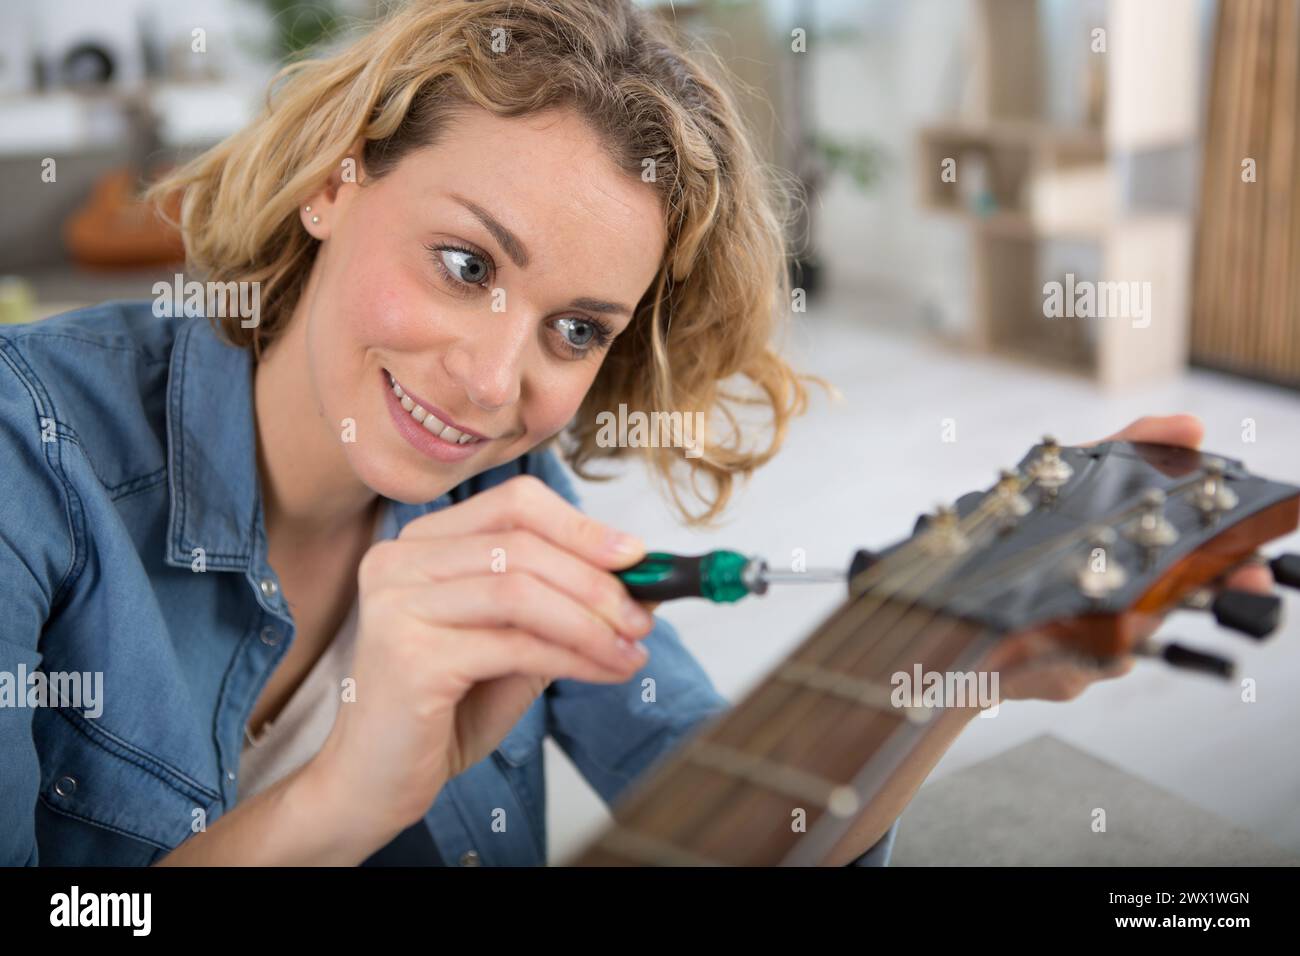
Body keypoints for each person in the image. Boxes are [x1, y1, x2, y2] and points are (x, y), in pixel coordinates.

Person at [0, 0, 1266, 867]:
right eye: (462, 262)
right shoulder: (30, 450)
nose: (493, 381)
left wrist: (958, 665)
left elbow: (722, 796)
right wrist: (337, 802)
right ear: (337, 178)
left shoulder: (508, 492)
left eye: (575, 329)